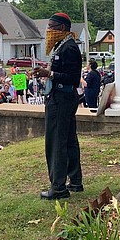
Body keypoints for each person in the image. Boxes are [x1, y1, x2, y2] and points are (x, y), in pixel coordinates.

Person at [33, 12, 83, 200]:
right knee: (69, 140)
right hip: (62, 97)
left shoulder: (69, 47)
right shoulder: (63, 46)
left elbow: (72, 77)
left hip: (61, 98)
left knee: (56, 142)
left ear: (62, 28)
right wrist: (47, 72)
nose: (49, 30)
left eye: (52, 26)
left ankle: (58, 187)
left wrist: (50, 74)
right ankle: (75, 181)